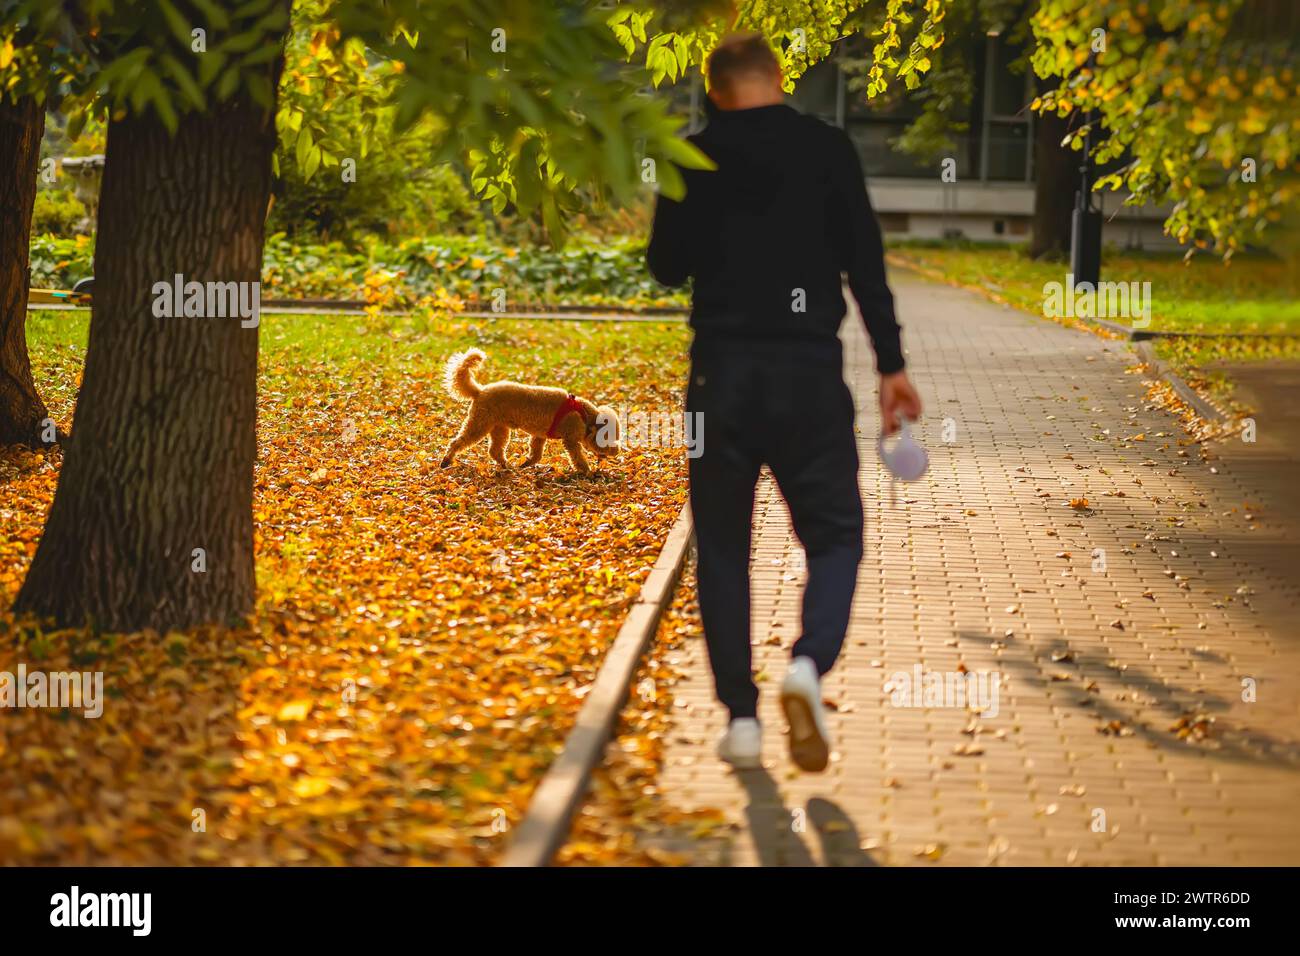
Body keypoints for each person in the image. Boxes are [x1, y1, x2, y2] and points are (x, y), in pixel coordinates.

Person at [646, 33, 922, 772]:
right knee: (834, 535)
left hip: (718, 381)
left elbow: (666, 268)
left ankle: (740, 721)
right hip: (808, 375)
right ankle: (806, 667)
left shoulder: (690, 157)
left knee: (724, 549)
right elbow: (865, 261)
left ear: (714, 90)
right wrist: (891, 367)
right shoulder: (827, 150)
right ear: (775, 77)